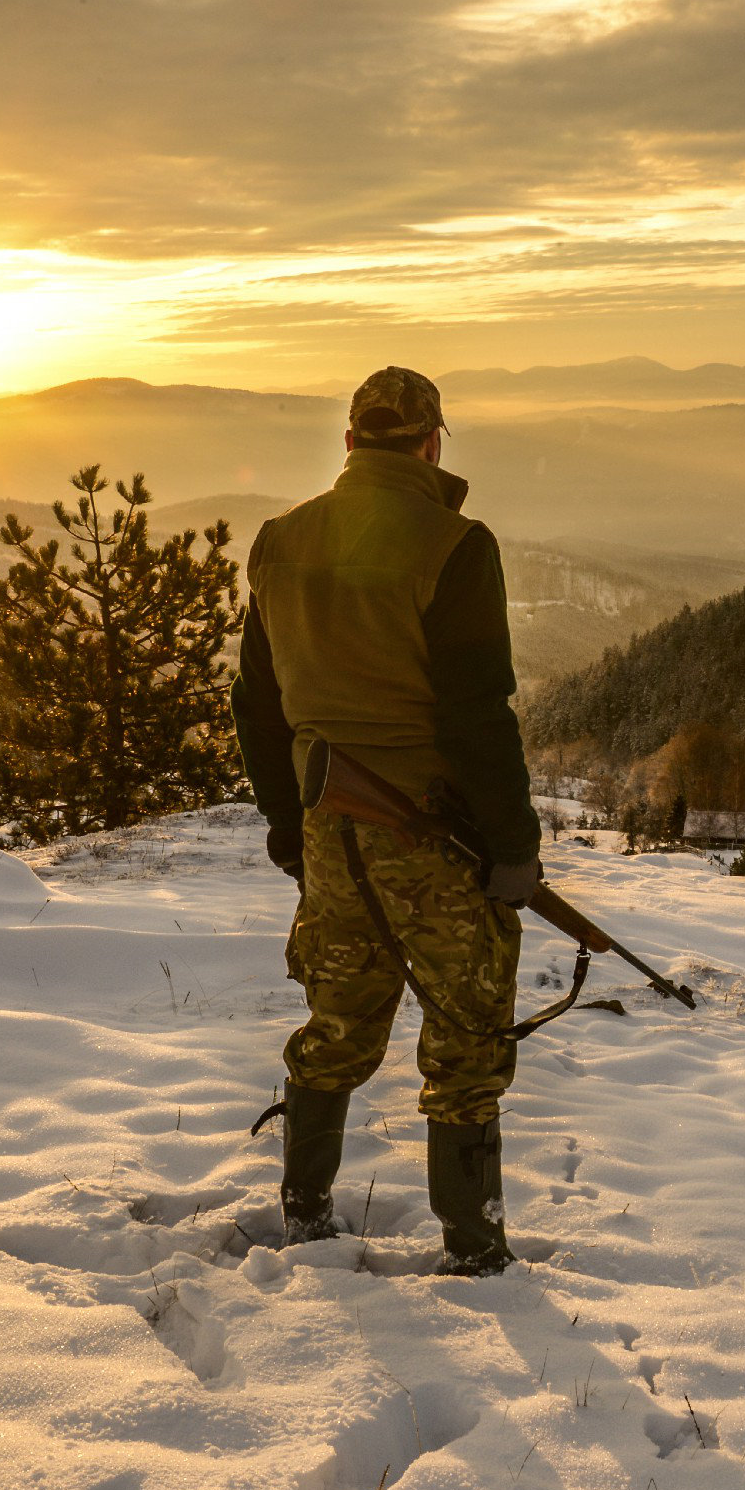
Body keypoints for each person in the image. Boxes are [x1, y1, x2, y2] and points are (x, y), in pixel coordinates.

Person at [230, 365, 542, 1277]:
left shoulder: (278, 542)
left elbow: (257, 704)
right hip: (433, 836)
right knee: (466, 1036)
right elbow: (478, 713)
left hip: (330, 827)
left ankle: (305, 1213)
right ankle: (475, 1248)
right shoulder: (456, 543)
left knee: (338, 1018)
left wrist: (290, 827)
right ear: (433, 442)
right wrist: (514, 847)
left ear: (352, 443)